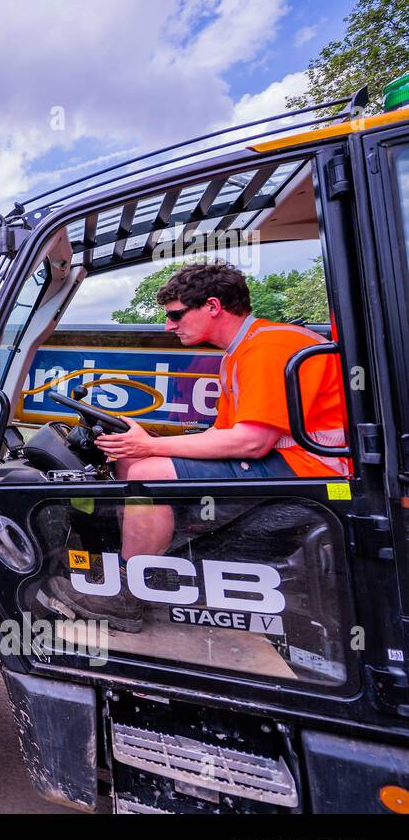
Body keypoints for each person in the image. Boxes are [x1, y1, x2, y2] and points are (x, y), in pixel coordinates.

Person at [47, 261, 349, 631]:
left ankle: (127, 595)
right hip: (284, 458)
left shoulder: (268, 347)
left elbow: (252, 442)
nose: (168, 326)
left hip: (311, 467)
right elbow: (224, 434)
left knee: (147, 472)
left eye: (175, 315)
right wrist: (150, 443)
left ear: (212, 306)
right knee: (129, 462)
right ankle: (148, 565)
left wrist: (151, 449)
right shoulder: (240, 351)